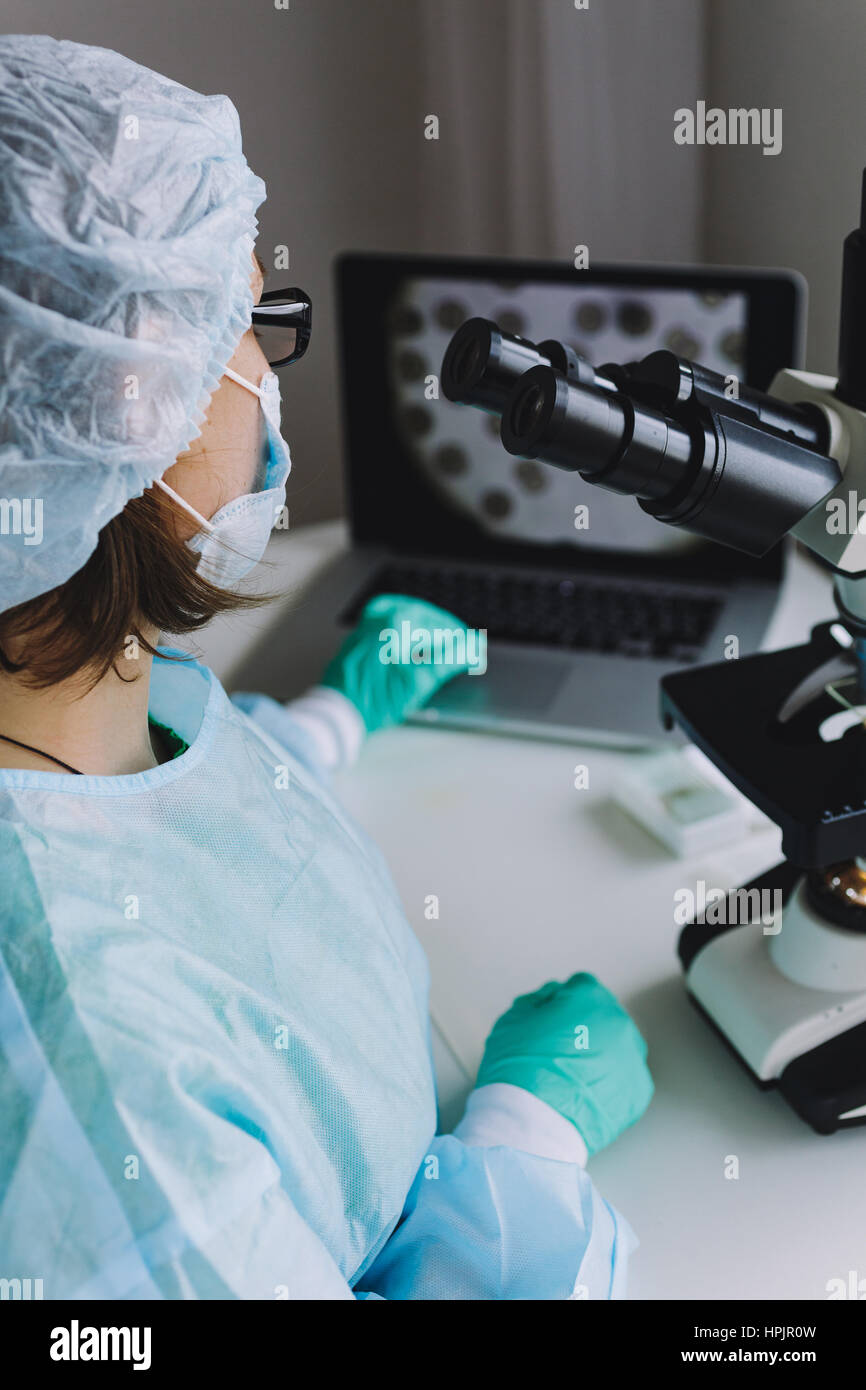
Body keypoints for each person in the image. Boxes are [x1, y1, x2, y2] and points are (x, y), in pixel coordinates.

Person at [0, 35, 653, 1300]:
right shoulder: (106, 1099)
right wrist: (524, 1147)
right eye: (246, 329)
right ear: (117, 411)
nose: (262, 377)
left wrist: (328, 718)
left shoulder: (84, 708)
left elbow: (140, 845)